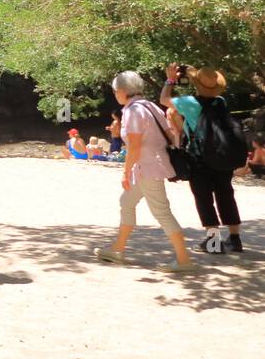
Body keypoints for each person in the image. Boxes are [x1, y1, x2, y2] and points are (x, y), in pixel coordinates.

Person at [94, 71, 194, 272]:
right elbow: (169, 132)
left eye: (115, 91)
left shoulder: (132, 111)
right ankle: (117, 248)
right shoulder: (149, 105)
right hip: (152, 164)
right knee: (126, 201)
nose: (115, 95)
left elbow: (135, 146)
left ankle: (184, 260)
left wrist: (125, 171)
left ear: (122, 91)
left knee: (161, 211)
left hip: (147, 167)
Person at [160, 63, 244, 253]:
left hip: (200, 159)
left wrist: (171, 79)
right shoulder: (221, 101)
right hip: (223, 156)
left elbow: (164, 99)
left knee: (204, 198)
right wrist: (194, 74)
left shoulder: (189, 103)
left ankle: (214, 243)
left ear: (196, 84)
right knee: (226, 195)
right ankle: (235, 239)